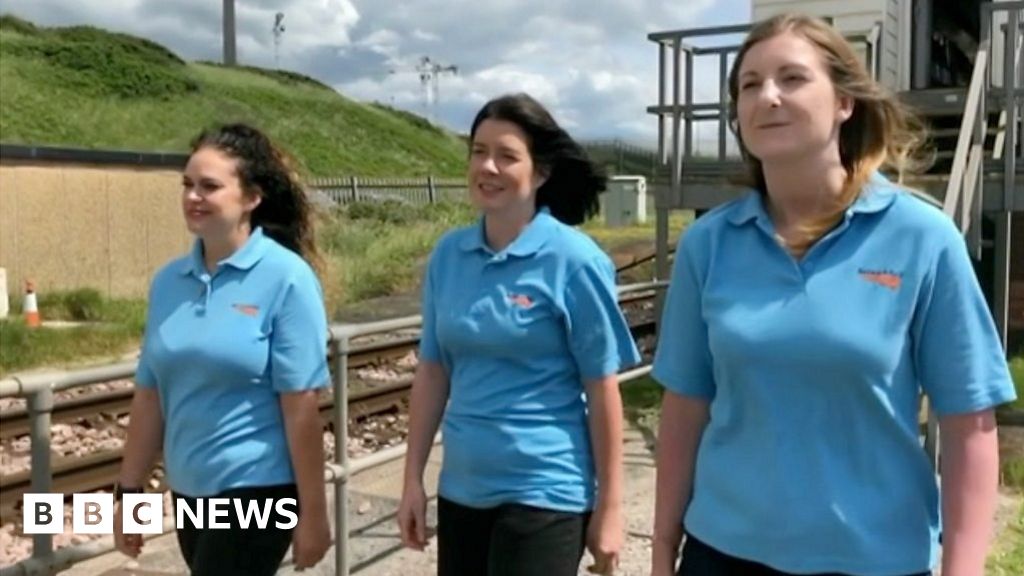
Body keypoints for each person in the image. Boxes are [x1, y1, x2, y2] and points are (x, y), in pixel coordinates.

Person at [651, 13, 1017, 576]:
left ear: (844, 102)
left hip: (875, 561)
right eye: (749, 85)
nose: (767, 96)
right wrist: (660, 552)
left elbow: (969, 422)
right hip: (720, 554)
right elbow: (685, 408)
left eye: (791, 78)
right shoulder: (708, 244)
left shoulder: (923, 238)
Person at [397, 93, 641, 576]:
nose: (487, 166)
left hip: (546, 491)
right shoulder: (449, 256)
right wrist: (412, 480)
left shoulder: (574, 260)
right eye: (478, 151)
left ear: (541, 172)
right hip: (462, 489)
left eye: (506, 155)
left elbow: (603, 387)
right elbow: (433, 371)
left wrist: (610, 509)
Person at [113, 123, 332, 575]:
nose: (193, 196)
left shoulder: (287, 278)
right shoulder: (169, 283)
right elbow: (150, 395)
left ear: (252, 197)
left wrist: (313, 513)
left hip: (260, 488)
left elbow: (301, 406)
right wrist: (129, 495)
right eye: (187, 185)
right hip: (190, 490)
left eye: (209, 186)